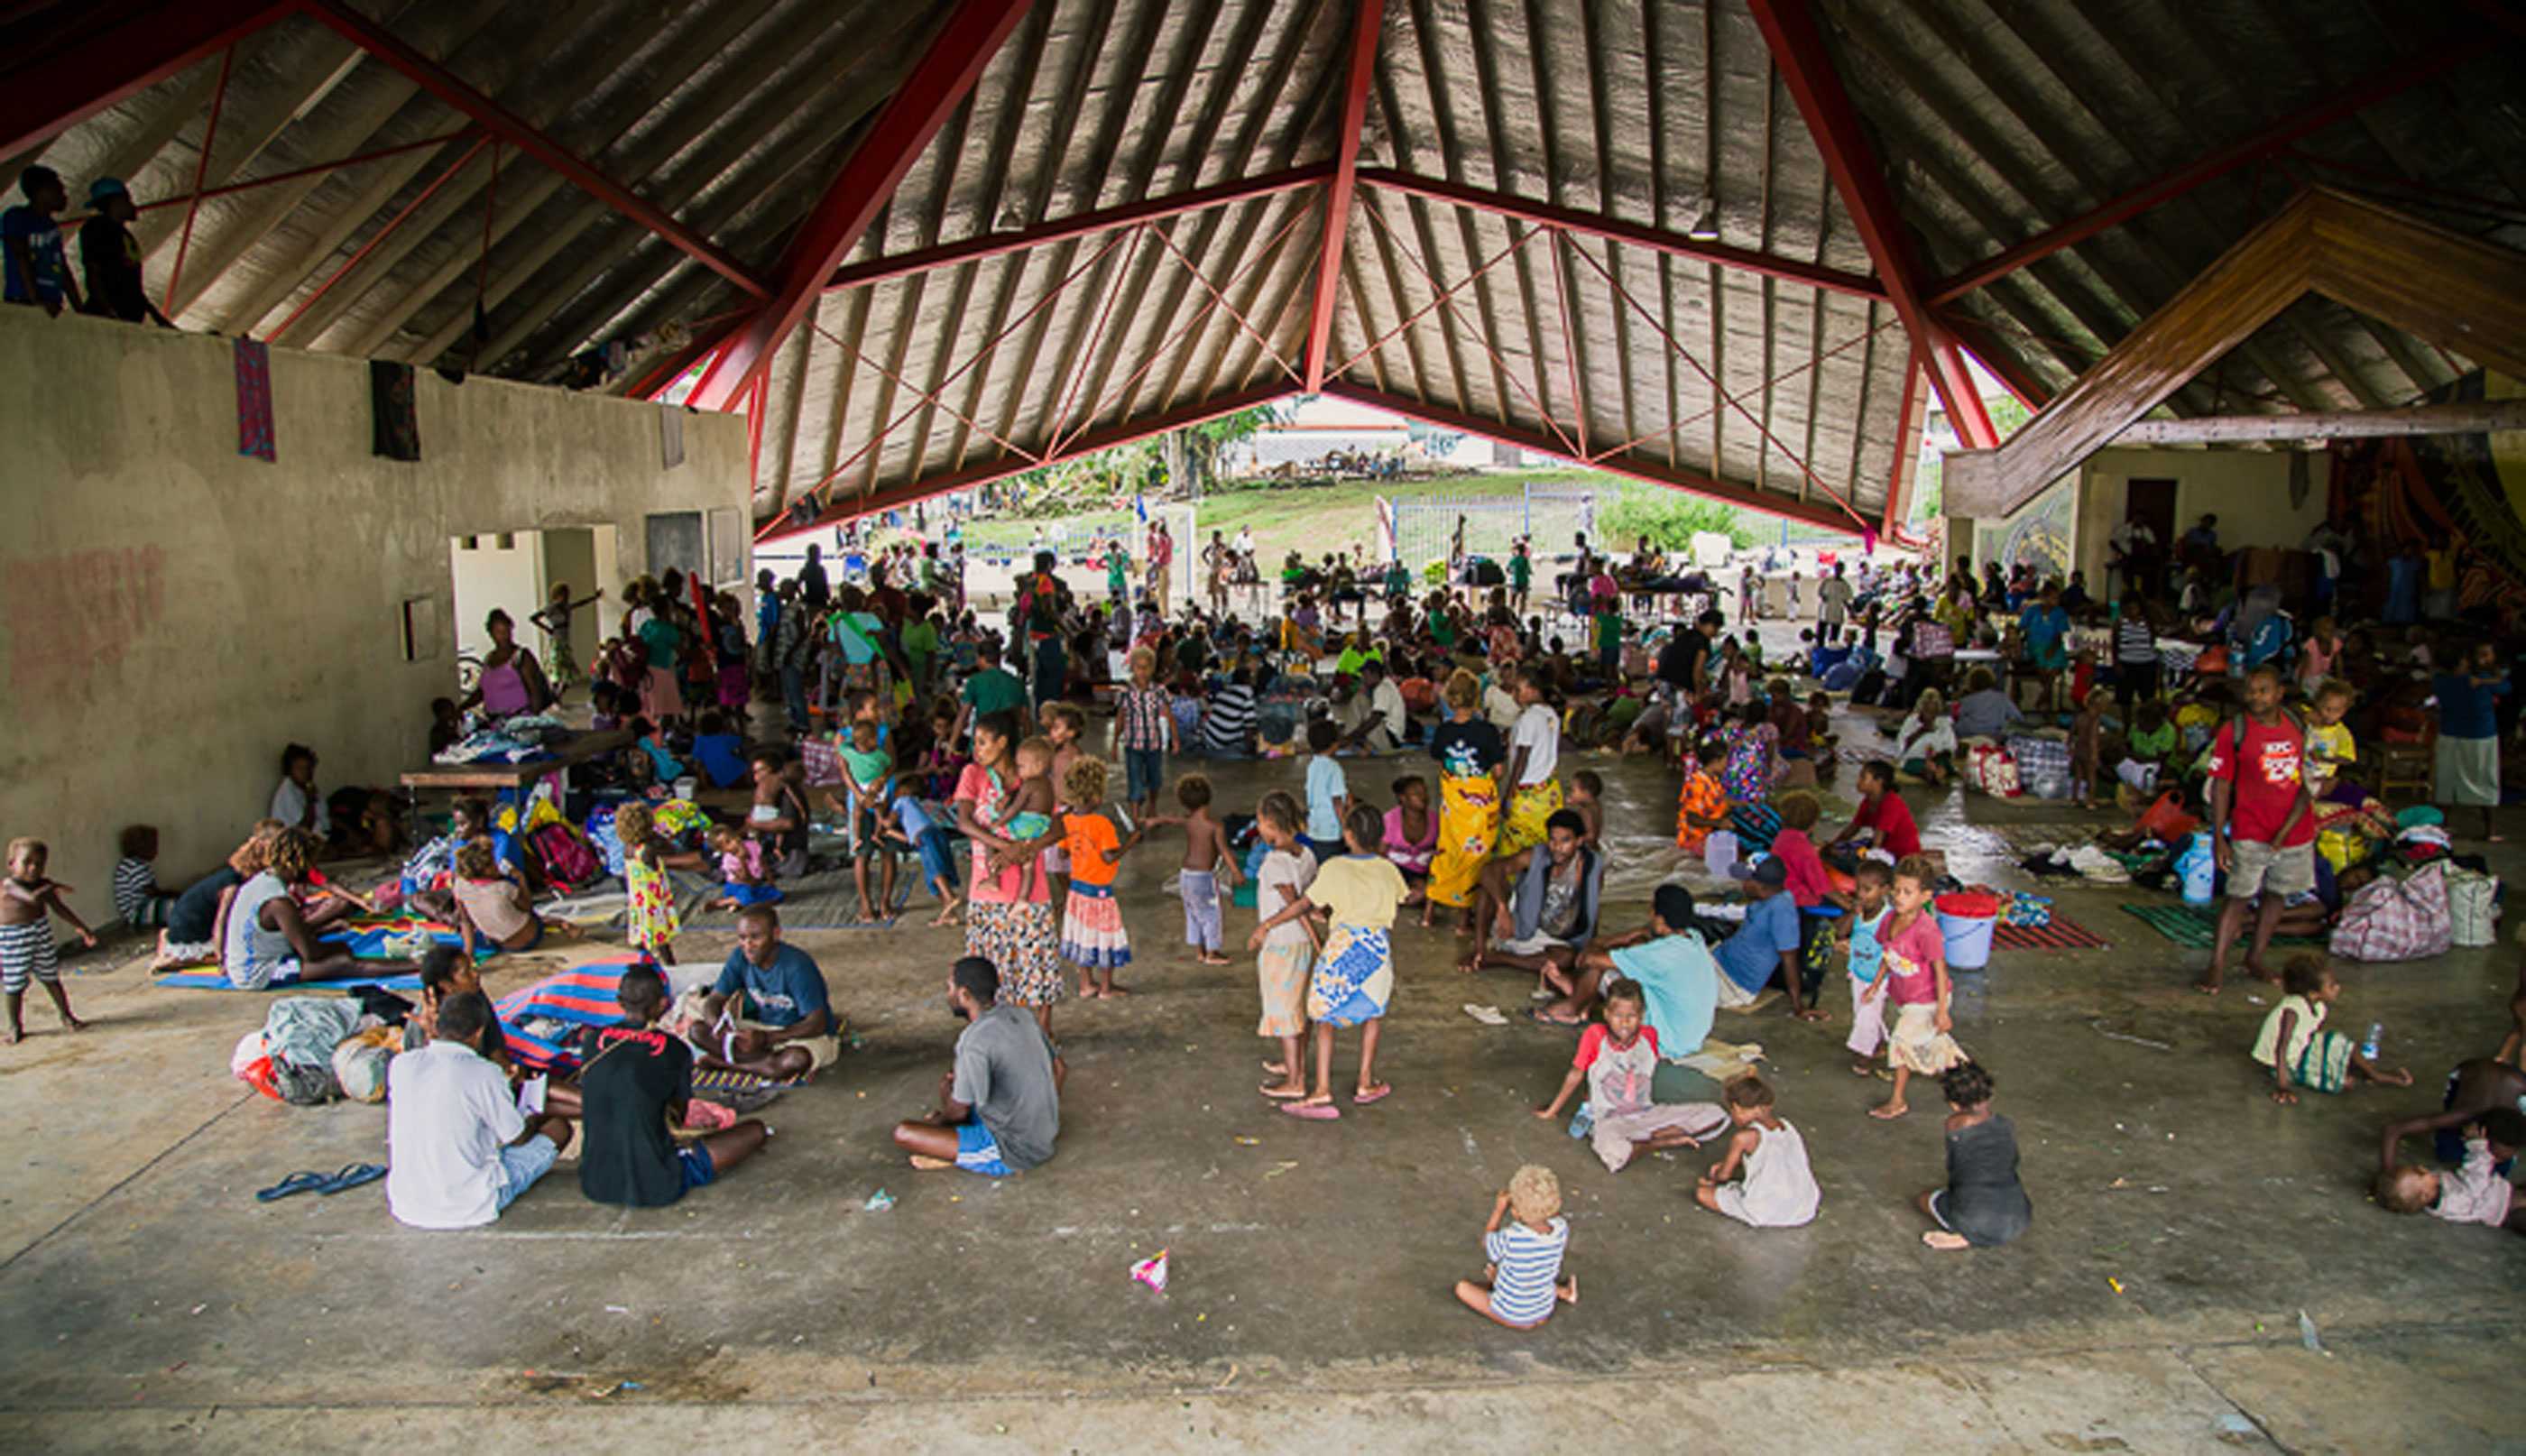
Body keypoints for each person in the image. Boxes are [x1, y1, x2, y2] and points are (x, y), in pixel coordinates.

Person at [578, 964, 770, 1208]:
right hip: (658, 1182)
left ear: (619, 1002)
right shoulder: (674, 1049)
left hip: (596, 1181)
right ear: (662, 1005)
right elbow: (678, 1115)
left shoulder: (592, 1041)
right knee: (755, 1130)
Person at [386, 991, 574, 1229]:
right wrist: (536, 1116)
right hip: (470, 1204)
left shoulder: (402, 1065)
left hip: (407, 1202)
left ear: (438, 1025)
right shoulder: (483, 1072)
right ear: (479, 1033)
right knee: (558, 1128)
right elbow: (516, 1138)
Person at [2199, 665, 2317, 994]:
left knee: (2277, 895)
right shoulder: (2234, 731)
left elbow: (2303, 782)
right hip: (2250, 828)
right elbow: (2221, 785)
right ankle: (2217, 964)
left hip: (2295, 830)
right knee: (2238, 897)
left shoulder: (2296, 724)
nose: (2255, 697)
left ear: (2279, 694)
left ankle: (2255, 958)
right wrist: (2219, 836)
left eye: (2263, 690)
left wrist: (2287, 830)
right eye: (2250, 690)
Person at [1286, 805, 1410, 1119]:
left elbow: (1308, 903)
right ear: (1380, 836)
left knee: (1325, 1017)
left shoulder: (1335, 867)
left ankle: (1322, 1089)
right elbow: (1401, 897)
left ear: (1348, 834)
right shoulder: (1388, 868)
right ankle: (1365, 1082)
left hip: (1343, 949)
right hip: (1376, 951)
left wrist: (1269, 923)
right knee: (1373, 1014)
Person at [892, 955, 1066, 1175]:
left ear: (964, 995)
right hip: (1045, 1131)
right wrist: (1044, 1113)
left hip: (1013, 1151)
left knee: (905, 1133)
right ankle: (955, 1146)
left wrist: (942, 1116)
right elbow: (1060, 1069)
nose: (948, 995)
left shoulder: (973, 1041)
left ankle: (958, 1156)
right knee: (957, 1096)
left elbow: (958, 1113)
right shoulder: (1021, 1014)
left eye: (950, 988)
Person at [1534, 977, 1729, 1172]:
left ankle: (1655, 1137)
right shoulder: (1595, 1035)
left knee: (1716, 1114)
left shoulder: (1649, 1035)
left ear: (1642, 1015)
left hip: (1647, 1113)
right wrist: (1552, 1111)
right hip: (1610, 1119)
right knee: (1611, 1148)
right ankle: (1659, 1143)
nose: (1625, 1023)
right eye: (1618, 1015)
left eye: (1632, 1016)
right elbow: (1575, 1074)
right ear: (1607, 1014)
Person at [954, 713, 1065, 1037]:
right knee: (988, 976)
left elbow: (1058, 826)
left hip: (1031, 892)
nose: (976, 749)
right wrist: (1004, 848)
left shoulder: (1032, 776)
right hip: (987, 890)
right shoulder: (972, 774)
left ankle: (1043, 1039)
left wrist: (1027, 849)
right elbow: (964, 822)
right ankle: (995, 1039)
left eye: (983, 742)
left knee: (1037, 967)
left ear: (1003, 742)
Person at [223, 827, 397, 989]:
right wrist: (336, 948)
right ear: (303, 862)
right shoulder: (279, 901)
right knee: (342, 962)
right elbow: (311, 954)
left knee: (341, 950)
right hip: (255, 973)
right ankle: (417, 965)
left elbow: (286, 933)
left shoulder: (264, 880)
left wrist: (327, 933)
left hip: (255, 959)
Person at [1462, 809, 1605, 995]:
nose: (1557, 847)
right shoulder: (1535, 855)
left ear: (1579, 841)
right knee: (1485, 891)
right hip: (1522, 923)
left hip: (1555, 936)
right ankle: (1480, 952)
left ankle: (1498, 958)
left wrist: (1590, 943)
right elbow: (1490, 869)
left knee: (1566, 958)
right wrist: (1502, 908)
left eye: (1565, 841)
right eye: (1553, 840)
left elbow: (1592, 907)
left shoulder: (1593, 865)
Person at [1867, 854, 1966, 1119]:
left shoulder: (1927, 930)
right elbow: (1888, 956)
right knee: (1934, 1044)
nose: (1899, 897)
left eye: (1908, 892)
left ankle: (1897, 1101)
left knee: (1901, 1043)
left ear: (1925, 896)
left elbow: (1941, 971)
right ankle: (1967, 1080)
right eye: (1897, 890)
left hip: (1928, 1000)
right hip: (1906, 998)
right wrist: (1875, 985)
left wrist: (1942, 1011)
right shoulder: (1890, 920)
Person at [700, 906, 840, 1080]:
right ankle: (764, 1064)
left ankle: (725, 1064)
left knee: (796, 1059)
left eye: (756, 937)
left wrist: (767, 1038)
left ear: (776, 934)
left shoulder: (797, 966)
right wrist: (717, 1025)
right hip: (762, 1030)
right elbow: (715, 999)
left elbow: (817, 1023)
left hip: (799, 1035)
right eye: (742, 938)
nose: (748, 946)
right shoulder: (740, 957)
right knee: (697, 1031)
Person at [2253, 954, 2411, 1104]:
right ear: (2314, 993)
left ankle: (2374, 1074)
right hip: (2284, 1064)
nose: (2338, 988)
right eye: (2332, 985)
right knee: (2342, 1081)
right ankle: (2370, 1074)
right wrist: (2283, 1087)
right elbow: (2281, 1049)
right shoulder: (2292, 1011)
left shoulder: (2319, 1007)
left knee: (2342, 1043)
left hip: (2301, 1050)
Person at [1249, 791, 1321, 1101]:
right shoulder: (1305, 854)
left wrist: (1263, 928)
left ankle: (1295, 1081)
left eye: (1259, 821)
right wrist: (1316, 938)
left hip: (1283, 946)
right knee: (1299, 1009)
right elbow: (1313, 902)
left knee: (1287, 1013)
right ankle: (1295, 1064)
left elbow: (1297, 906)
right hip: (1300, 946)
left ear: (1269, 823)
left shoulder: (1275, 861)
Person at [1917, 1062, 2033, 1250]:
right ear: (1990, 1094)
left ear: (1954, 1105)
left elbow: (1957, 1171)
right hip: (2020, 1217)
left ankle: (1966, 1237)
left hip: (1978, 1219)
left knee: (1924, 1200)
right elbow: (2012, 1160)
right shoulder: (2005, 1124)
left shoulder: (1956, 1125)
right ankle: (1976, 1231)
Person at [1424, 668, 1504, 927]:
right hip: (1479, 803)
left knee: (1447, 850)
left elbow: (1441, 763)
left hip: (1453, 801)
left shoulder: (1443, 732)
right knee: (1475, 856)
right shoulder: (1488, 731)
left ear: (1450, 698)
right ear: (1476, 697)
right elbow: (1499, 770)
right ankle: (1462, 922)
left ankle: (1429, 913)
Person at [1452, 1164, 1576, 1330]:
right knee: (1537, 1273)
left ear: (1515, 1212)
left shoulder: (1512, 1237)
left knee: (1463, 1288)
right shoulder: (1561, 1228)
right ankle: (1565, 1293)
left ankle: (1516, 1308)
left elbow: (1488, 1244)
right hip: (1544, 1309)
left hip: (1515, 1315)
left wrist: (1498, 1210)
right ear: (1557, 1203)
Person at [1056, 756, 1140, 1000]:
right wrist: (1131, 842)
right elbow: (1108, 858)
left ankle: (1086, 985)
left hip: (1077, 890)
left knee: (1083, 936)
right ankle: (1106, 988)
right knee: (1106, 938)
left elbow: (1062, 853)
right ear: (1096, 796)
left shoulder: (1067, 820)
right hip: (1100, 892)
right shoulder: (1102, 823)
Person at [1692, 1074, 1821, 1229]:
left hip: (1767, 1210)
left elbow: (1723, 1176)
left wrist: (1716, 1176)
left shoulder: (1744, 1137)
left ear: (1737, 1108)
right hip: (1805, 1206)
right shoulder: (1786, 1126)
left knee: (1702, 1193)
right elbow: (1770, 1156)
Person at [2, 837, 95, 1042]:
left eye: (40, 864)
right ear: (11, 864)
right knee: (15, 983)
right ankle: (14, 1026)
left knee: (50, 976)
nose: (34, 868)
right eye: (27, 862)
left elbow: (60, 909)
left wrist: (82, 928)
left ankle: (67, 1016)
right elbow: (32, 898)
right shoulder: (10, 885)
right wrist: (52, 886)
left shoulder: (44, 886)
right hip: (15, 936)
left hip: (40, 931)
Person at [2433, 640, 2510, 843]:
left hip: (2449, 735)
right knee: (2485, 780)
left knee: (2447, 780)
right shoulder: (2480, 679)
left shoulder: (2440, 680)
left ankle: (2441, 825)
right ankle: (2490, 830)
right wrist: (2488, 677)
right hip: (2480, 736)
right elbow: (2505, 687)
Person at [74, 177, 171, 327]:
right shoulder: (97, 228)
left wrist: (156, 316)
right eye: (128, 200)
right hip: (110, 315)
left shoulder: (123, 234)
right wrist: (107, 310)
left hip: (127, 315)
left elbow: (131, 283)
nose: (133, 206)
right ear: (116, 201)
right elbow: (93, 271)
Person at [1839, 860, 1895, 1074]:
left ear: (1884, 890)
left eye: (1867, 889)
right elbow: (1841, 932)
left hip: (1879, 976)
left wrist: (1879, 980)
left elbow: (1892, 952)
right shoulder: (1860, 913)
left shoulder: (1888, 918)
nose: (1861, 894)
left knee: (1867, 1015)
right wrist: (1853, 913)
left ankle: (1863, 1055)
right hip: (1859, 971)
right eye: (1858, 888)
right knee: (1861, 1011)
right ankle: (1878, 1044)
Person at [1500, 668, 1563, 854]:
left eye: (1518, 690)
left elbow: (1522, 758)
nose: (1514, 695)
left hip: (1527, 793)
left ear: (1533, 690)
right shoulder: (1551, 714)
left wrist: (1509, 794)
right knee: (1543, 844)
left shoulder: (1529, 718)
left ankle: (1517, 883)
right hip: (1549, 791)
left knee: (1515, 848)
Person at [3, 165, 78, 315]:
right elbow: (21, 256)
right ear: (42, 192)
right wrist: (35, 299)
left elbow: (62, 268)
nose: (64, 196)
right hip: (24, 301)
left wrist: (79, 308)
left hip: (51, 303)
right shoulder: (17, 216)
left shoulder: (51, 226)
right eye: (59, 191)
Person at [450, 837, 547, 955]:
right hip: (526, 942)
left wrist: (468, 954)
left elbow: (465, 921)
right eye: (493, 862)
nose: (497, 865)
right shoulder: (504, 888)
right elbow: (527, 907)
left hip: (496, 943)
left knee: (472, 931)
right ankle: (553, 921)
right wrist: (521, 879)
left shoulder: (459, 886)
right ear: (485, 869)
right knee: (530, 915)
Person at [463, 609, 555, 721]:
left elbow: (535, 691)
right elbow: (482, 691)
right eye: (499, 632)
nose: (504, 637)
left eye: (506, 631)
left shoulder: (521, 656)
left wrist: (533, 721)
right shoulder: (489, 658)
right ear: (491, 634)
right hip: (495, 722)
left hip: (519, 720)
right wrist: (461, 708)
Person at [1830, 760, 1922, 864]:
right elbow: (1853, 828)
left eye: (1863, 777)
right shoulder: (1868, 801)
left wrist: (1868, 861)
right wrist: (1832, 844)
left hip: (1902, 857)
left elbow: (1878, 839)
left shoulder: (1891, 803)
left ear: (1879, 781)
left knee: (1849, 860)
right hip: (1884, 849)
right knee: (1841, 851)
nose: (1858, 781)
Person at [954, 640, 1028, 745]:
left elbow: (963, 715)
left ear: (981, 658)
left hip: (983, 744)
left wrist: (952, 744)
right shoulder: (1016, 682)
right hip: (1010, 745)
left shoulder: (975, 681)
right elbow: (1025, 718)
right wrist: (1027, 745)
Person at [111, 824, 176, 930]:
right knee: (176, 907)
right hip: (137, 912)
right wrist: (172, 894)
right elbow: (151, 892)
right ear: (140, 848)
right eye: (153, 846)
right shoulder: (133, 866)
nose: (156, 850)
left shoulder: (137, 864)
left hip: (144, 906)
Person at [272, 742, 332, 841]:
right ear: (290, 770)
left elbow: (324, 819)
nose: (305, 773)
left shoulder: (308, 787)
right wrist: (310, 801)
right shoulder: (288, 792)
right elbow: (305, 827)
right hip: (296, 842)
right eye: (299, 769)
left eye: (308, 768)